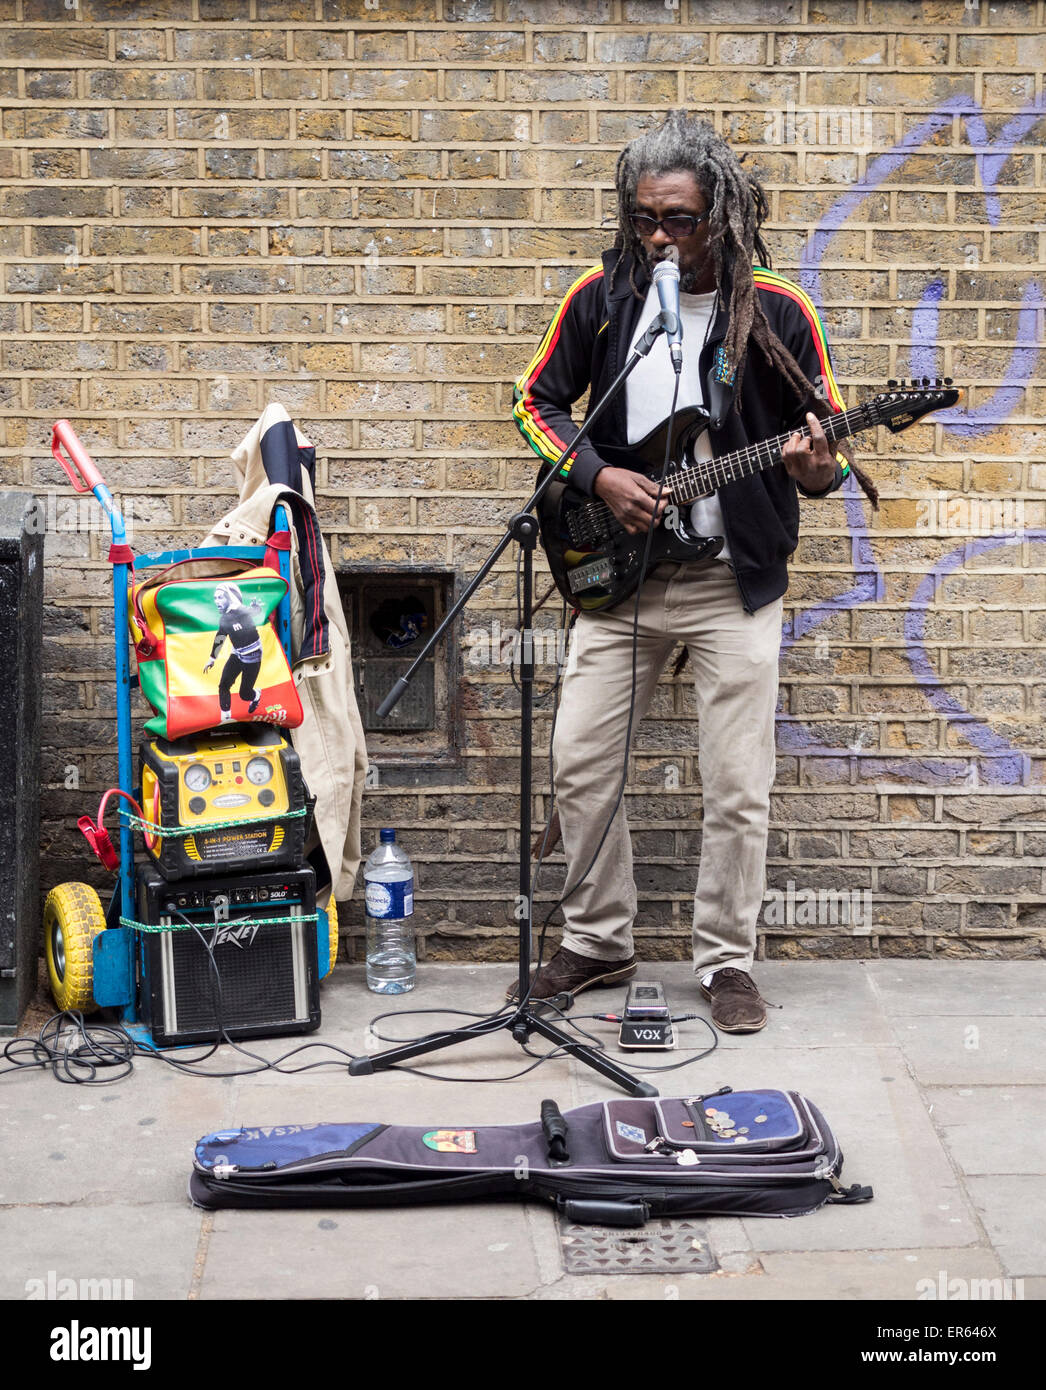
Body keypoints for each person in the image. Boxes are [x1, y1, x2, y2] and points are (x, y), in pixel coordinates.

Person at [509, 111, 876, 1033]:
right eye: (645, 219)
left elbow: (825, 458)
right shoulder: (604, 296)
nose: (661, 237)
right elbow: (534, 402)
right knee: (580, 761)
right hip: (619, 577)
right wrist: (598, 475)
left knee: (737, 785)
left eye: (679, 219)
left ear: (725, 216)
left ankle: (726, 962)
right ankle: (597, 939)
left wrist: (814, 467)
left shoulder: (781, 313)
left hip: (732, 584)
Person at [204, 582, 264, 722]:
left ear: (229, 597)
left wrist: (256, 606)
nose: (217, 602)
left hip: (253, 655)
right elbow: (220, 637)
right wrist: (212, 659)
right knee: (223, 685)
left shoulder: (242, 610)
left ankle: (256, 695)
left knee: (245, 694)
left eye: (220, 597)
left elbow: (256, 611)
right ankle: (226, 719)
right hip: (237, 653)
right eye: (215, 598)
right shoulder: (224, 618)